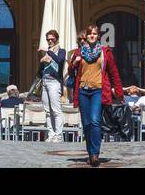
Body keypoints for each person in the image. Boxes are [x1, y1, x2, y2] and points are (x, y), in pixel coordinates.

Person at [72, 22, 123, 166]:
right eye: (89, 34)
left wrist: (119, 93)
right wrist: (74, 63)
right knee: (86, 123)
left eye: (94, 34)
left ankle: (95, 154)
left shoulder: (105, 52)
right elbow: (70, 71)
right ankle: (90, 152)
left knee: (95, 121)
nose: (92, 36)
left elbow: (113, 73)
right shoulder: (79, 52)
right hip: (82, 90)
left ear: (98, 36)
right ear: (86, 36)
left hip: (98, 91)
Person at [38, 29, 66, 140]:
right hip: (45, 81)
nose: (50, 41)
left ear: (56, 39)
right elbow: (41, 71)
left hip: (54, 82)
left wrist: (49, 52)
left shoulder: (61, 51)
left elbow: (59, 61)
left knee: (56, 110)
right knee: (48, 111)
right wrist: (42, 63)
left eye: (52, 39)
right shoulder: (45, 52)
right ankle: (51, 134)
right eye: (48, 39)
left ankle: (58, 135)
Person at [66, 30, 85, 102]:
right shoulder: (77, 52)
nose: (82, 41)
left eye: (84, 39)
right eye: (80, 39)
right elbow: (70, 69)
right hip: (79, 83)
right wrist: (74, 62)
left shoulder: (96, 51)